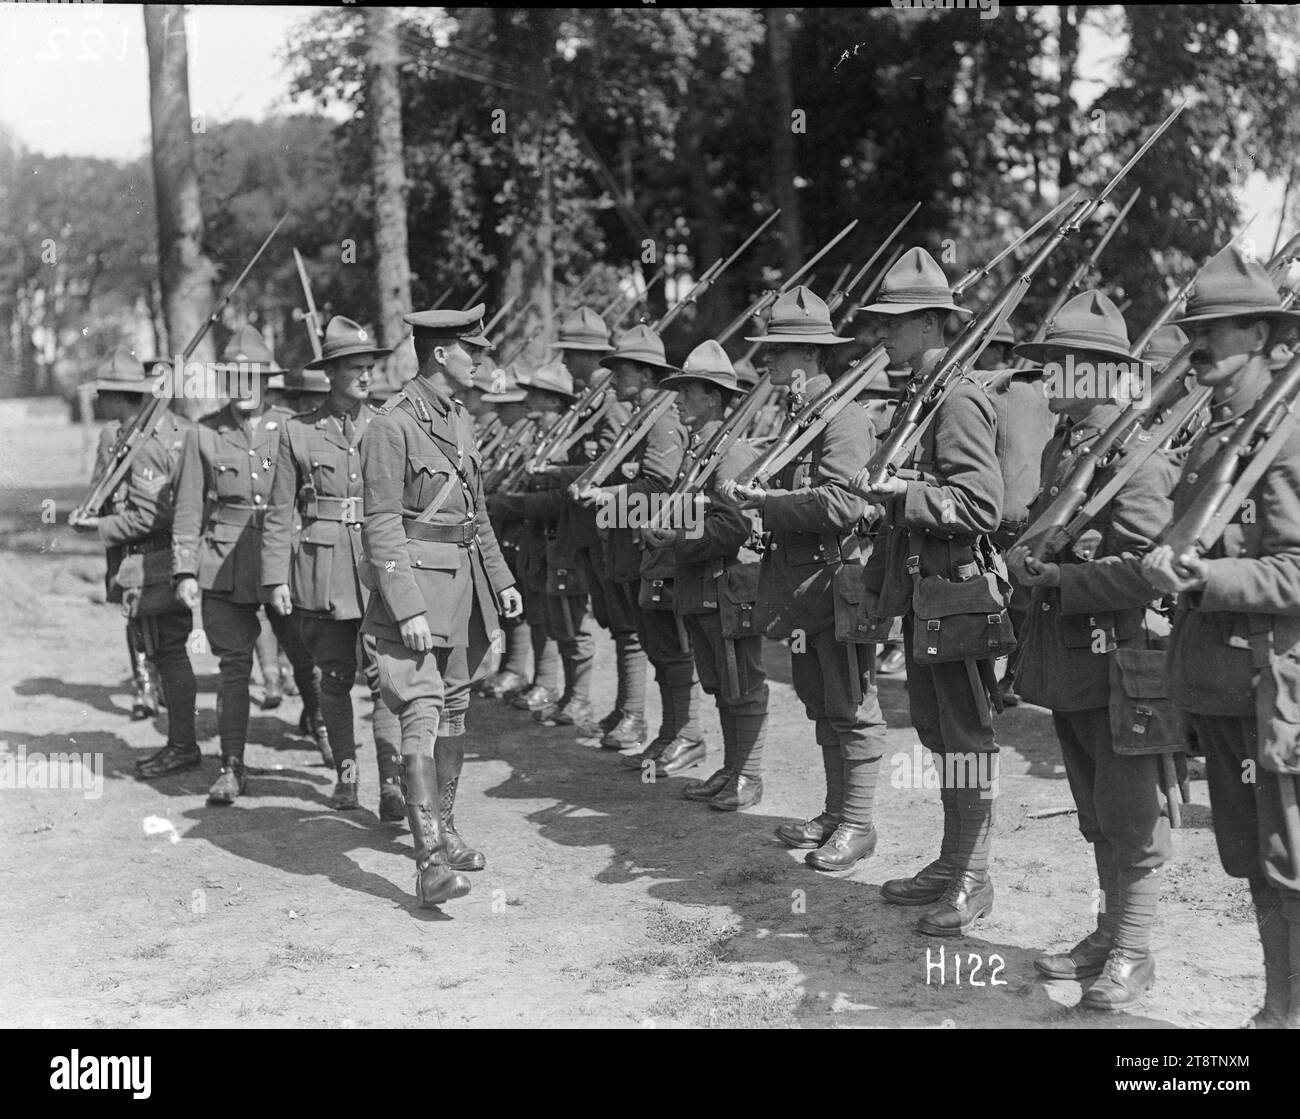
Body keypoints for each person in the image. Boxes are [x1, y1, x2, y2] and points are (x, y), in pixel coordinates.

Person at [1142, 245, 1300, 1028]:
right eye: (1195, 330)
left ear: (1267, 339)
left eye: (1218, 332)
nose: (1198, 346)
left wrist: (1207, 580)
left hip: (1279, 691)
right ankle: (1278, 1009)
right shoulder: (1214, 437)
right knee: (1258, 866)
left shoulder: (1291, 437)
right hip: (1223, 691)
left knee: (1296, 866)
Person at [1004, 291, 1176, 1011]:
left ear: (1106, 373)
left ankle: (1134, 949)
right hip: (1073, 658)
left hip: (1124, 660)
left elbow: (1153, 571)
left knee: (1133, 812)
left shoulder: (1139, 457)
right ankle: (1109, 933)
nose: (1053, 380)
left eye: (1068, 367)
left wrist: (1063, 578)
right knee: (1095, 808)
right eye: (1050, 367)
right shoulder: (1065, 446)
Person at [854, 247, 1005, 934]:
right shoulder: (924, 396)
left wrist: (903, 493)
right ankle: (952, 861)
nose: (881, 334)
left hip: (958, 597)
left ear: (929, 325)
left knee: (967, 737)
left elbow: (982, 505)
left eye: (893, 323)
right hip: (926, 598)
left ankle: (973, 877)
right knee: (941, 734)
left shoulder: (961, 398)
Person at [719, 286, 887, 870]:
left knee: (853, 707)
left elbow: (844, 503)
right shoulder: (800, 418)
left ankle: (859, 823)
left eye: (777, 352)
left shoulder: (842, 417)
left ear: (809, 357)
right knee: (822, 705)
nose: (766, 364)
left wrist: (769, 503)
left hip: (838, 583)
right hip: (800, 587)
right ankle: (837, 811)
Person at [360, 303, 522, 907]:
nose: (480, 360)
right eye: (471, 351)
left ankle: (447, 832)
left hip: (464, 590)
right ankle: (427, 862)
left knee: (455, 710)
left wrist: (500, 577)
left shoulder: (460, 419)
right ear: (439, 355)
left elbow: (475, 513)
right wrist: (406, 607)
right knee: (420, 714)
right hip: (419, 594)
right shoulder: (391, 425)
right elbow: (379, 524)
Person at [173, 326, 327, 805]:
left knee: (306, 656)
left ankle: (326, 732)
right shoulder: (203, 433)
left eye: (252, 378)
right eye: (234, 378)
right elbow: (187, 509)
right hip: (223, 565)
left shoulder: (293, 426)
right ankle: (232, 766)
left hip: (284, 561)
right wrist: (183, 570)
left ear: (267, 382)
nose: (243, 387)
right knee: (234, 666)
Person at [262, 316, 406, 819]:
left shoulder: (388, 423)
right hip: (322, 572)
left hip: (377, 566)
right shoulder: (297, 433)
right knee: (334, 678)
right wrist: (275, 576)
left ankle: (392, 784)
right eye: (355, 368)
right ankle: (347, 778)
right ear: (331, 374)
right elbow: (280, 511)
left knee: (385, 677)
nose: (367, 376)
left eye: (370, 367)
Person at [573, 325, 704, 775]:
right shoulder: (641, 414)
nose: (612, 378)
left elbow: (662, 487)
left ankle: (686, 735)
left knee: (670, 647)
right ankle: (670, 734)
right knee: (655, 646)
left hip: (655, 550)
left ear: (646, 372)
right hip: (632, 546)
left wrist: (610, 498)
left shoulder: (662, 417)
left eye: (622, 369)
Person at [642, 341, 768, 808]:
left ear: (714, 397)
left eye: (688, 392)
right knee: (719, 682)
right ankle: (733, 768)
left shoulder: (730, 455)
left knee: (743, 682)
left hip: (728, 585)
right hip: (702, 586)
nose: (678, 401)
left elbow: (734, 526)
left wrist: (674, 538)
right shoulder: (702, 454)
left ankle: (748, 776)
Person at [70, 347, 199, 779]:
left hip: (156, 561)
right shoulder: (125, 433)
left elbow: (152, 515)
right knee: (161, 649)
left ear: (112, 394)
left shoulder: (144, 442)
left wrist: (98, 528)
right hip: (141, 562)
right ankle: (180, 742)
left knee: (170, 654)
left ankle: (183, 746)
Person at [548, 308, 645, 744]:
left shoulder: (612, 406)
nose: (566, 362)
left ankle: (634, 714)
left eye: (572, 353)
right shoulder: (587, 403)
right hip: (588, 527)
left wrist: (559, 474)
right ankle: (623, 710)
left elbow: (617, 469)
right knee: (612, 620)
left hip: (609, 522)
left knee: (626, 625)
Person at [487, 360, 582, 716]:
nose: (527, 404)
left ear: (556, 402)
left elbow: (564, 494)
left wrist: (513, 505)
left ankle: (562, 689)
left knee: (569, 625)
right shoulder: (544, 436)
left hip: (560, 539)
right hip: (535, 538)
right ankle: (539, 680)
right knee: (537, 612)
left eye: (536, 398)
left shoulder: (569, 442)